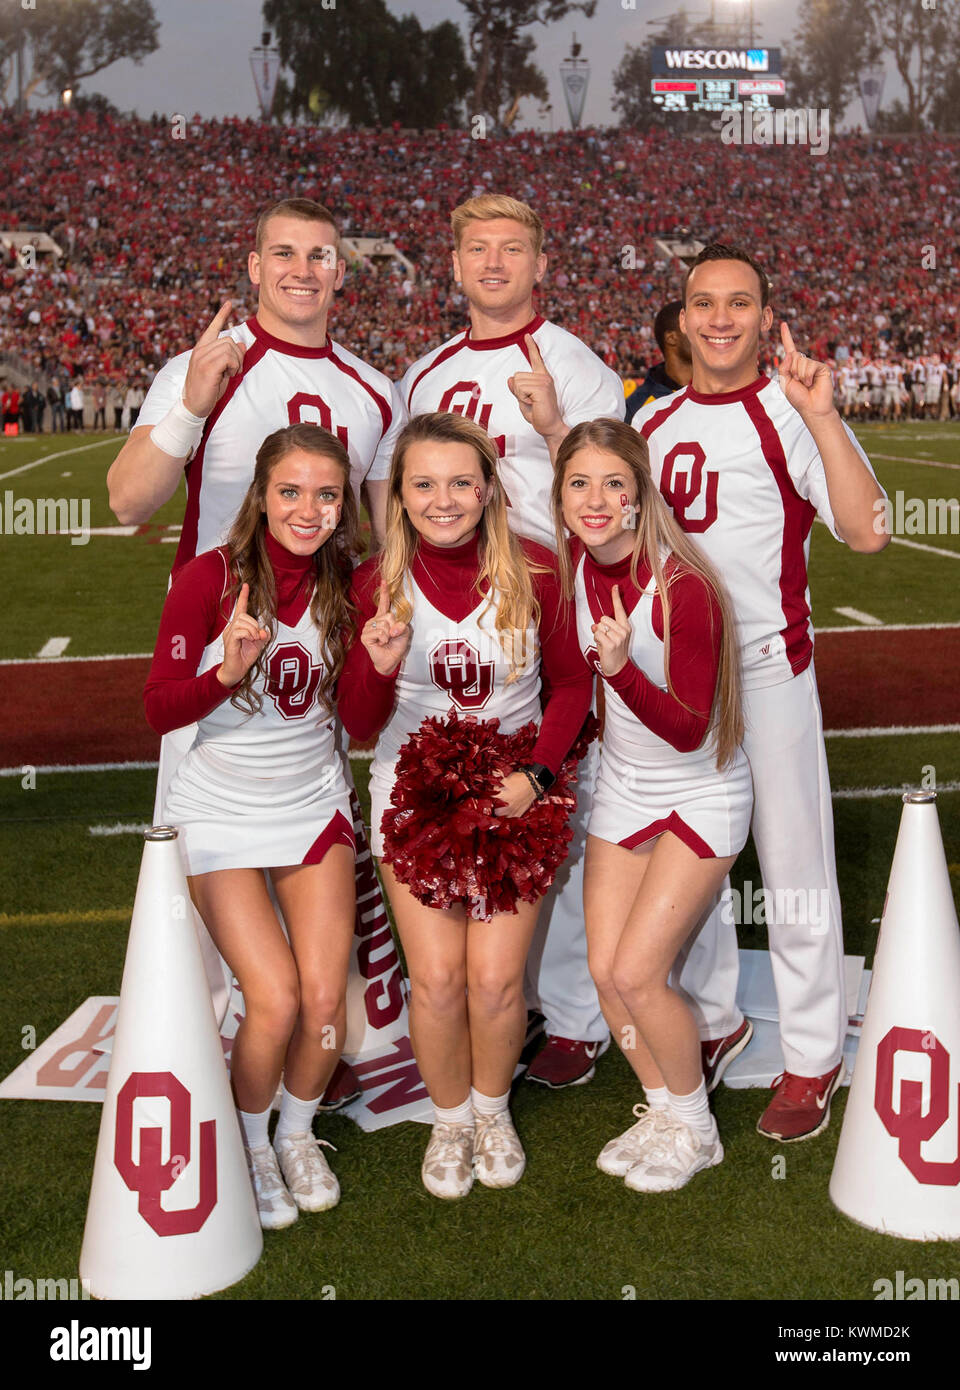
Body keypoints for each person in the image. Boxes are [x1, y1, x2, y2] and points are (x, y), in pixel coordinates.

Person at [108, 197, 405, 1110]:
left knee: (312, 909)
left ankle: (297, 1087)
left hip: (309, 669)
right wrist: (192, 408)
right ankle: (196, 1082)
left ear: (342, 273)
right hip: (214, 670)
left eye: (321, 255)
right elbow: (128, 501)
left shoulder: (375, 389)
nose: (303, 270)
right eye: (285, 253)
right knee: (195, 895)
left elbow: (386, 534)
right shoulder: (204, 367)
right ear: (253, 265)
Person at [631, 243, 889, 1141]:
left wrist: (824, 419)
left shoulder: (791, 410)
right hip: (681, 678)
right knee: (688, 858)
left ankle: (814, 1054)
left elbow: (867, 533)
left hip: (770, 672)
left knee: (794, 865)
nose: (720, 318)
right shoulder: (654, 426)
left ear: (764, 315)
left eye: (739, 302)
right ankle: (712, 1019)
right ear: (683, 317)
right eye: (704, 302)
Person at [397, 193, 625, 1090]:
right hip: (452, 614)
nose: (494, 263)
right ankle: (500, 999)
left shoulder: (579, 365)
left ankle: (567, 1013)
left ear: (541, 263)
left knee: (563, 800)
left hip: (557, 607)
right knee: (460, 803)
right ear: (454, 265)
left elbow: (618, 492)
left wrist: (553, 428)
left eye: (512, 248)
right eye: (477, 249)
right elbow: (399, 501)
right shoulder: (426, 372)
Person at [338, 411, 592, 1197]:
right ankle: (449, 1120)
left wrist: (539, 775)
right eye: (423, 484)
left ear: (487, 489)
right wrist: (376, 668)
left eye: (459, 482)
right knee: (440, 980)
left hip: (515, 793)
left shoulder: (539, 570)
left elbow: (575, 685)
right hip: (412, 796)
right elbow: (357, 722)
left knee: (496, 983)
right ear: (399, 497)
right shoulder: (374, 581)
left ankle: (492, 1110)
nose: (442, 499)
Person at [143, 422, 361, 1229]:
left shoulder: (349, 580)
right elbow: (160, 705)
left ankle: (297, 1131)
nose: (309, 508)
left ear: (344, 503)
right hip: (221, 809)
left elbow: (361, 715)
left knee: (324, 1002)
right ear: (262, 497)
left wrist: (377, 659)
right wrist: (225, 673)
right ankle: (250, 1142)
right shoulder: (211, 577)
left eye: (327, 493)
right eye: (292, 491)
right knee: (270, 1000)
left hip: (310, 806)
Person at [553, 417, 752, 1190]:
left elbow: (690, 729)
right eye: (579, 484)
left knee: (639, 974)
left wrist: (622, 669)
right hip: (626, 787)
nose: (595, 500)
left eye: (613, 484)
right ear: (562, 496)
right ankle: (664, 1109)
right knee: (605, 971)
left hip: (700, 788)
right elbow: (580, 691)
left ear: (640, 496)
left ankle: (697, 1129)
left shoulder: (682, 587)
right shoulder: (579, 562)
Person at [624, 301, 693, 424]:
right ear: (671, 338)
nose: (706, 334)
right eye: (692, 327)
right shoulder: (635, 410)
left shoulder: (726, 388)